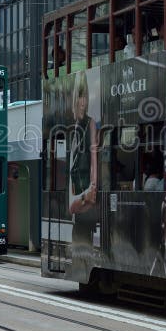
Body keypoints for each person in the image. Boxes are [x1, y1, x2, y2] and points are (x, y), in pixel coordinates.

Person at [68, 71, 99, 273]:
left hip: (86, 201)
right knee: (78, 245)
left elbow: (94, 159)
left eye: (85, 96)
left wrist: (92, 188)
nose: (83, 102)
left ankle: (84, 268)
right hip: (78, 204)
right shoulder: (73, 128)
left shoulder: (90, 123)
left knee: (83, 243)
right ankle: (81, 268)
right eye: (80, 96)